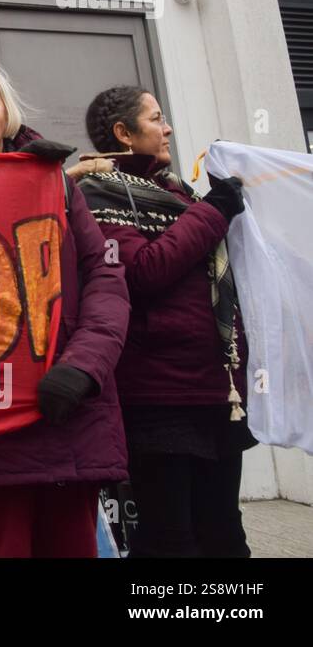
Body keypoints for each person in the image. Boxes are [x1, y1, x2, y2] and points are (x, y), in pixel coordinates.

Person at [0, 56, 130, 557]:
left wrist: (83, 367)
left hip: (66, 412)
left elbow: (105, 274)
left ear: (7, 109)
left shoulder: (55, 184)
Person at [73, 86, 254, 557]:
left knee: (225, 535)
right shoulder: (97, 192)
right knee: (172, 539)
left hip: (213, 391)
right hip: (158, 396)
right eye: (156, 119)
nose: (168, 127)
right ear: (123, 133)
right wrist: (214, 211)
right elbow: (144, 270)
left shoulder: (177, 192)